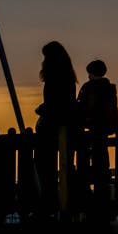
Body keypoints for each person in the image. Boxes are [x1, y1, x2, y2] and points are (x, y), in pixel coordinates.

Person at [35, 41, 78, 212]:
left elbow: (55, 104)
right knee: (65, 167)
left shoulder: (54, 78)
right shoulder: (68, 77)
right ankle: (65, 203)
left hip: (54, 127)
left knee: (46, 166)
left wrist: (42, 110)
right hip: (67, 126)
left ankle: (51, 203)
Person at [76, 59, 118, 198]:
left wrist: (81, 122)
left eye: (89, 73)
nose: (88, 76)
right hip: (105, 127)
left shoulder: (88, 87)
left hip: (91, 126)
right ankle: (102, 186)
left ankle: (86, 187)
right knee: (102, 155)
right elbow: (114, 109)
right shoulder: (110, 88)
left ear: (92, 73)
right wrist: (116, 127)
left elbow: (81, 106)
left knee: (85, 155)